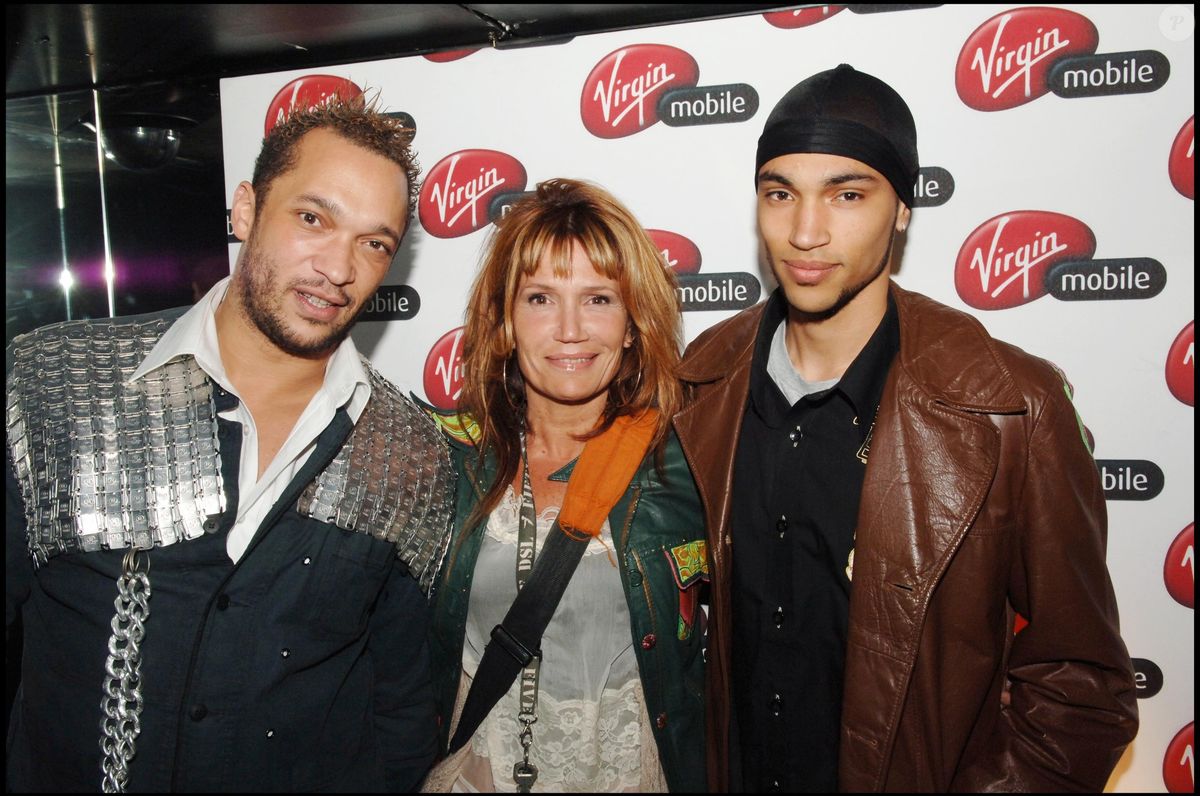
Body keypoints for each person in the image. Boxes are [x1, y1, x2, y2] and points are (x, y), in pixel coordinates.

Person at [674, 64, 1139, 792]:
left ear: (902, 210)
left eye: (848, 194)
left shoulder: (1012, 406)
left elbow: (1081, 690)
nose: (804, 231)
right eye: (779, 193)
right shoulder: (699, 382)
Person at [5, 94, 455, 792]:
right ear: (245, 209)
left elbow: (399, 708)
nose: (338, 269)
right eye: (313, 218)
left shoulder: (409, 452)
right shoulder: (55, 386)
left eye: (374, 243)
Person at [424, 178, 706, 793]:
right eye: (542, 299)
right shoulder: (445, 461)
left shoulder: (690, 464)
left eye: (600, 299)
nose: (571, 329)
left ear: (633, 324)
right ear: (505, 322)